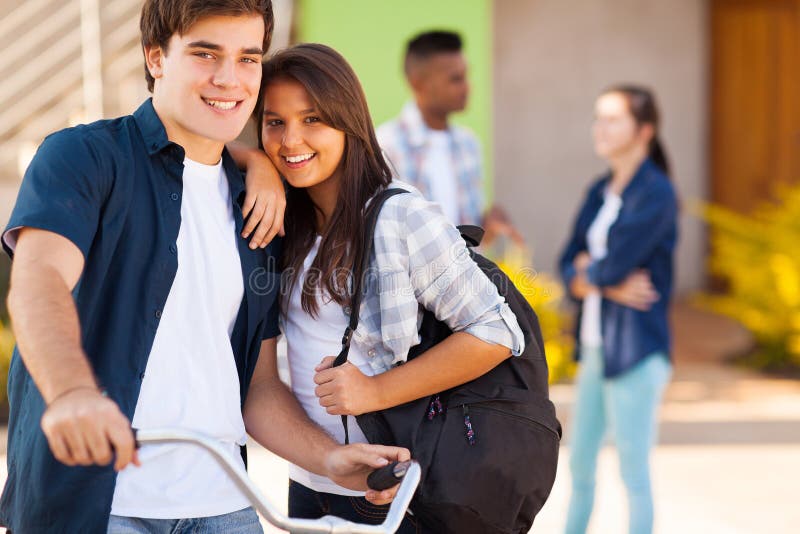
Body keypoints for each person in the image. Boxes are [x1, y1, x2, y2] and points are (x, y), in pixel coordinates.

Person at [0, 2, 408, 532]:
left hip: (224, 505)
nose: (229, 79)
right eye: (205, 53)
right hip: (96, 507)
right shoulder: (84, 157)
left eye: (248, 59)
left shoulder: (258, 209)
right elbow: (39, 281)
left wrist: (328, 459)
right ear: (156, 58)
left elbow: (257, 387)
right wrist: (73, 393)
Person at [254, 43, 526, 530]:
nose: (291, 139)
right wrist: (254, 163)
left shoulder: (399, 215)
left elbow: (497, 329)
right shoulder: (282, 225)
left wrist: (374, 391)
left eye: (312, 119)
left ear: (347, 121)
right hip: (311, 481)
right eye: (275, 122)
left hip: (389, 488)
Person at [558, 85, 678, 534]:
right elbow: (568, 262)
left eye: (613, 119)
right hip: (593, 350)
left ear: (644, 130)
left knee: (633, 471)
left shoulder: (657, 192)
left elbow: (613, 266)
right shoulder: (599, 191)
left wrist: (594, 276)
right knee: (580, 465)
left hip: (636, 352)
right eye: (598, 117)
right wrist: (598, 280)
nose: (600, 128)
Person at [376, 30, 483, 226]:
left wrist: (490, 219)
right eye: (455, 79)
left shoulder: (469, 143)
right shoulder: (385, 147)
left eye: (466, 76)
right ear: (418, 84)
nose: (467, 87)